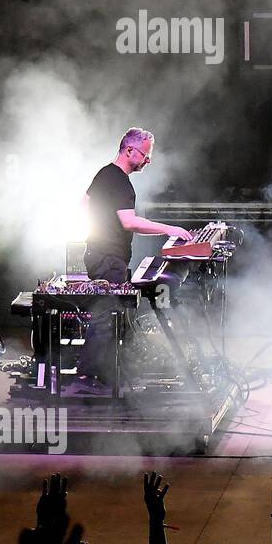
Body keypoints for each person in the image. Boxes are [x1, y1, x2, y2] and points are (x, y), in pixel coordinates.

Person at [77, 128, 192, 392]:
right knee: (106, 316)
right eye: (145, 155)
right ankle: (86, 379)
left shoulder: (105, 173)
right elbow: (129, 222)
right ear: (129, 150)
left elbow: (83, 205)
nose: (148, 161)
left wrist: (99, 228)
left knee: (114, 314)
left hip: (100, 253)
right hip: (107, 257)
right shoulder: (119, 181)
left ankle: (106, 376)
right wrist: (169, 229)